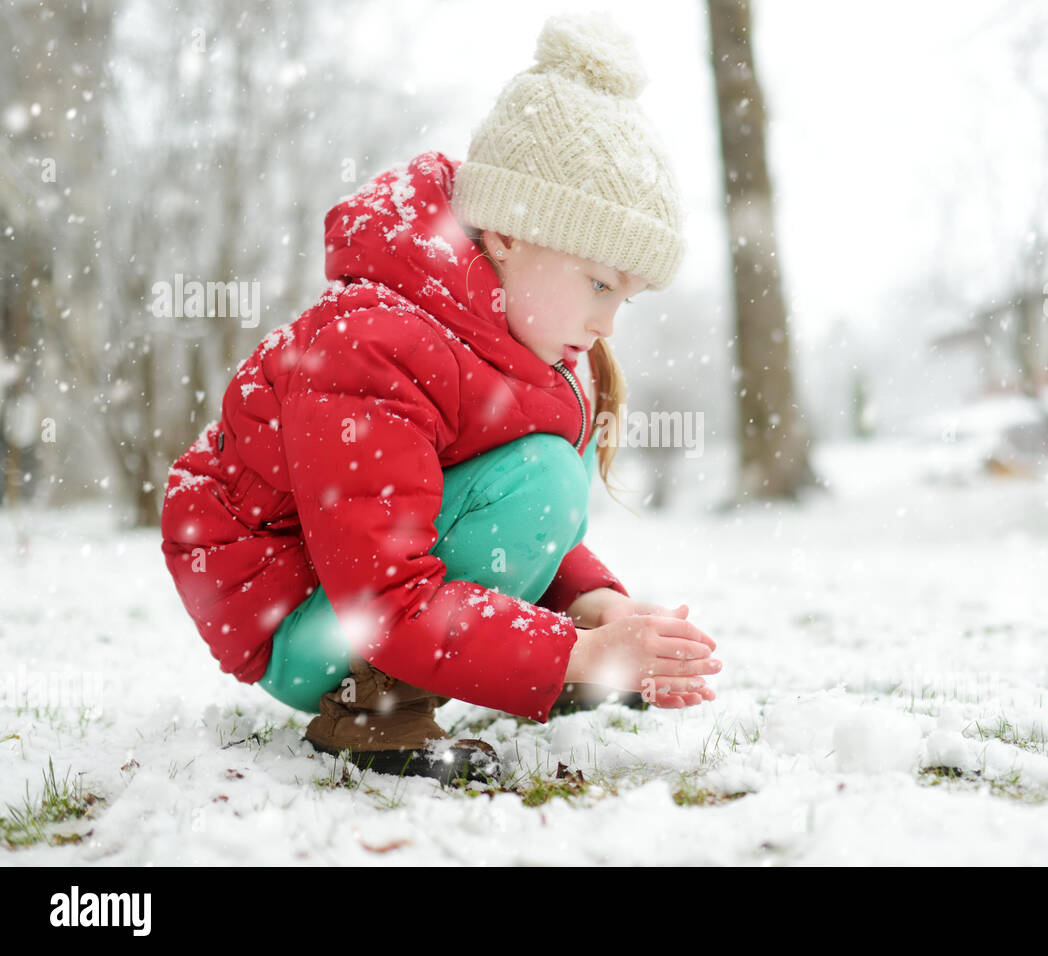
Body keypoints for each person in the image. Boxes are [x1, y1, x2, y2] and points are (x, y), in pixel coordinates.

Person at [158, 12, 721, 786]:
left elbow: (477, 508)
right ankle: (371, 707)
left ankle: (441, 675)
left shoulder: (503, 342)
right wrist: (576, 656)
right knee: (545, 476)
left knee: (543, 470)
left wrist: (591, 606)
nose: (607, 322)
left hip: (353, 600)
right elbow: (386, 587)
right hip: (300, 620)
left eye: (628, 296)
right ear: (511, 235)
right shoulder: (371, 347)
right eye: (599, 283)